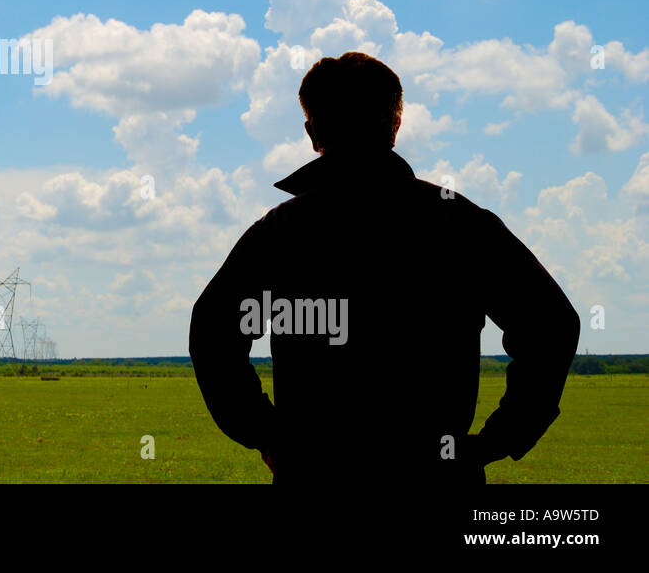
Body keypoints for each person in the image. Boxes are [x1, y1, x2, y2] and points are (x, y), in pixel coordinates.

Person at [189, 51, 580, 485]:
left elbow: (212, 333)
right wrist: (495, 440)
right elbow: (552, 323)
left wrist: (269, 435)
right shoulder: (458, 222)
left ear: (312, 131)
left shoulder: (280, 232)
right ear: (395, 126)